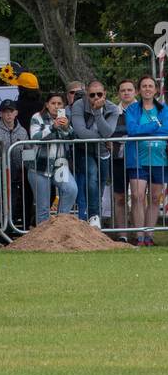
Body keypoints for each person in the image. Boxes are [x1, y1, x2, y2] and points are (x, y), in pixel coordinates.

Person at [125, 74, 168, 246]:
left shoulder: (164, 109)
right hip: (137, 159)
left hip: (159, 159)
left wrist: (145, 129)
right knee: (137, 196)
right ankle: (139, 236)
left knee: (155, 198)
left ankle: (149, 236)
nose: (147, 89)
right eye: (144, 86)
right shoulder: (132, 109)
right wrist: (156, 125)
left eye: (150, 86)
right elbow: (132, 130)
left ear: (156, 90)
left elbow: (166, 131)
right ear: (139, 90)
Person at [70, 80, 119, 228]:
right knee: (92, 176)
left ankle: (94, 215)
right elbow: (81, 132)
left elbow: (108, 132)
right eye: (92, 95)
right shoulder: (78, 105)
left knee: (101, 182)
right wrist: (103, 139)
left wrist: (98, 113)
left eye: (99, 94)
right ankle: (93, 216)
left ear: (105, 94)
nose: (96, 98)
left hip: (103, 151)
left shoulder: (112, 108)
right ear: (86, 95)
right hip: (84, 148)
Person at [27, 92, 78, 224]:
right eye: (53, 103)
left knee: (71, 190)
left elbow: (73, 138)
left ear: (63, 106)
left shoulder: (65, 118)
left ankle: (60, 223)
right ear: (47, 105)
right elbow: (35, 137)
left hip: (60, 166)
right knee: (43, 207)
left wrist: (67, 128)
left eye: (59, 103)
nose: (56, 106)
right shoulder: (37, 117)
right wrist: (53, 127)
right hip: (39, 167)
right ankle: (44, 235)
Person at [0, 99, 29, 230]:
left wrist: (25, 167)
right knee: (2, 201)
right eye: (5, 112)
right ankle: (4, 228)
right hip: (0, 175)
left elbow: (28, 150)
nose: (8, 114)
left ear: (16, 112)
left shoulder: (23, 132)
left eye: (11, 111)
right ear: (0, 114)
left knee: (16, 200)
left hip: (19, 174)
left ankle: (14, 227)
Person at [111, 80, 137, 241]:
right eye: (123, 90)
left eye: (129, 90)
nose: (126, 93)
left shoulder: (143, 110)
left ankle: (138, 234)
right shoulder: (113, 112)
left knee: (138, 197)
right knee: (119, 197)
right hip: (118, 159)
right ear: (118, 93)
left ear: (135, 92)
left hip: (138, 159)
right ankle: (122, 235)